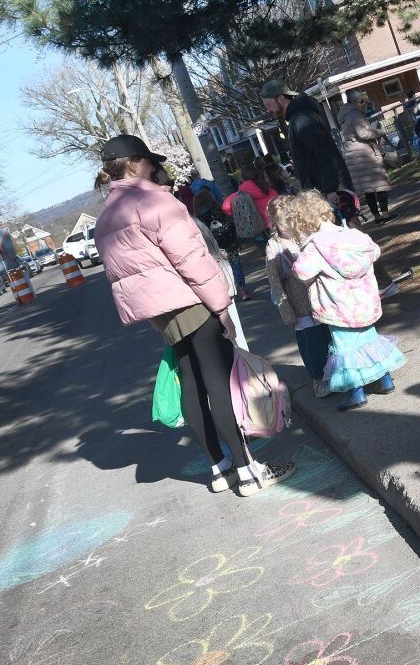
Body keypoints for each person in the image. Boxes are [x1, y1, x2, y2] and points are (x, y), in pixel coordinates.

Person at [95, 134, 293, 496]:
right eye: (152, 162)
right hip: (190, 298)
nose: (156, 168)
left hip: (159, 310)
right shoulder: (154, 201)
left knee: (191, 379)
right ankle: (248, 470)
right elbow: (191, 259)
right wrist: (220, 306)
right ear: (138, 163)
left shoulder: (107, 213)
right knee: (217, 379)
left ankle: (220, 468)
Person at [283, 192, 405, 411]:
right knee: (369, 339)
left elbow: (302, 272)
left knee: (344, 349)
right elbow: (374, 251)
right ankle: (384, 379)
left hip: (338, 306)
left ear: (302, 223)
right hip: (364, 302)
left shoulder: (315, 247)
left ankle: (355, 391)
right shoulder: (353, 235)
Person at [265, 196, 330, 391]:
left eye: (289, 220)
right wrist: (285, 309)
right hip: (297, 302)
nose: (286, 226)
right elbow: (274, 281)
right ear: (275, 223)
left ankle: (334, 371)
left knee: (327, 334)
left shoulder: (305, 236)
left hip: (319, 296)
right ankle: (318, 377)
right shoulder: (274, 247)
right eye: (281, 222)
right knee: (311, 342)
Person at [260, 81, 352, 215]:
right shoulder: (296, 118)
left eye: (268, 105)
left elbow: (324, 153)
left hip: (330, 190)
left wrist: (331, 189)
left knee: (348, 226)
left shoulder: (301, 119)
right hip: (323, 188)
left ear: (281, 98)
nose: (268, 110)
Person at [340, 92, 396, 222]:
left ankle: (377, 217)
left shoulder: (345, 115)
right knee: (380, 184)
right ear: (355, 102)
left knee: (368, 190)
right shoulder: (355, 114)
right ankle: (385, 215)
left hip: (354, 154)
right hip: (364, 154)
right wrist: (379, 132)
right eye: (362, 101)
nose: (364, 104)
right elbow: (364, 134)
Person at [192, 187, 249, 302]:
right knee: (236, 265)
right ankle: (242, 290)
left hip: (215, 248)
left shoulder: (198, 218)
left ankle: (229, 291)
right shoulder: (219, 207)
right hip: (229, 242)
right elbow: (231, 223)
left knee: (222, 269)